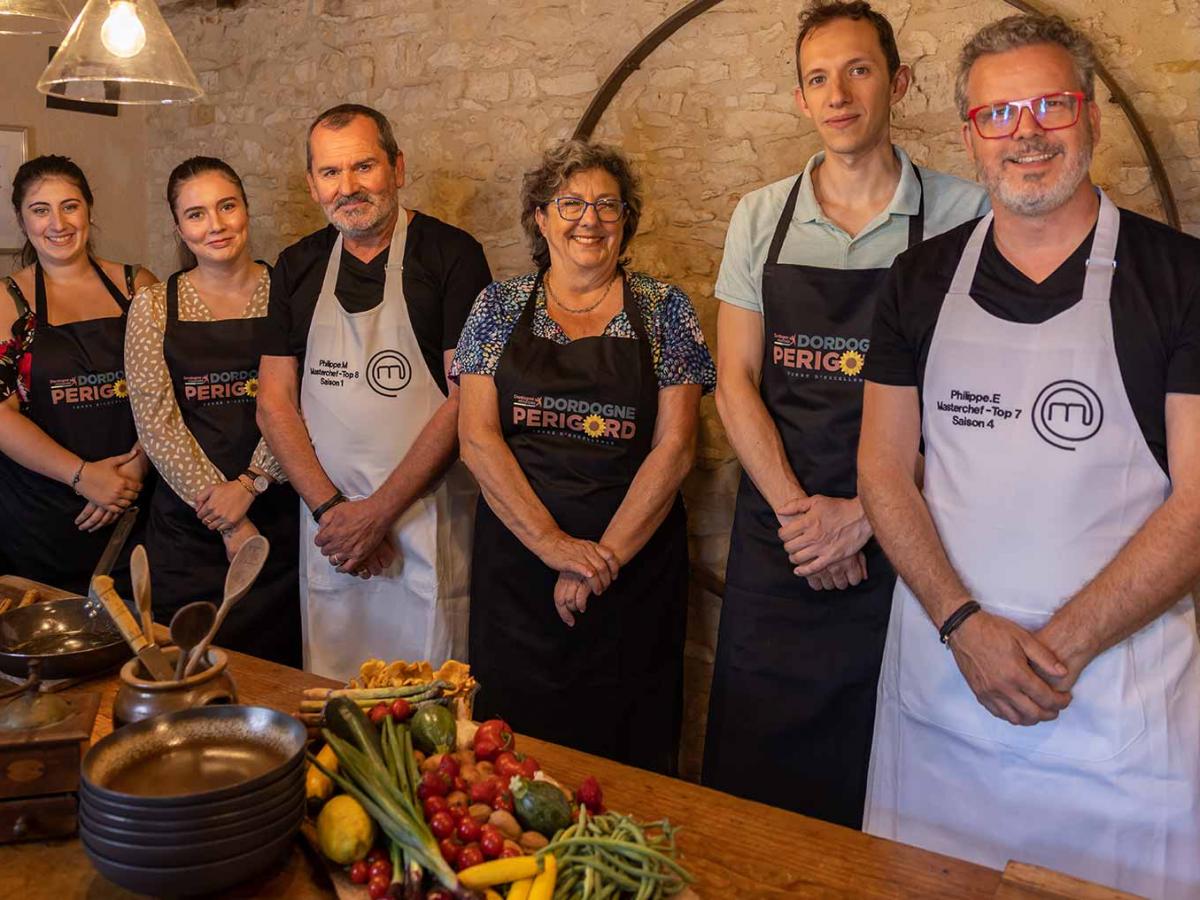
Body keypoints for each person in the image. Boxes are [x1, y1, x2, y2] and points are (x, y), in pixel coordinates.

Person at [859, 15, 1200, 898]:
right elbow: (882, 471)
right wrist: (964, 627)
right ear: (971, 134)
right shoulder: (917, 281)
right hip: (944, 701)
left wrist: (1062, 647)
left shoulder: (1181, 279)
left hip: (1114, 728)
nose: (1028, 134)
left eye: (1052, 105)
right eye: (1000, 114)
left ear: (1091, 119)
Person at [702, 0, 987, 827]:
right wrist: (802, 516)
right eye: (818, 78)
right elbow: (736, 382)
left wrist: (864, 517)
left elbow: (966, 407)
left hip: (903, 536)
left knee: (885, 764)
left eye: (858, 70)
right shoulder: (761, 215)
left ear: (896, 82)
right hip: (779, 536)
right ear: (801, 99)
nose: (839, 94)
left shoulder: (964, 216)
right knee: (755, 769)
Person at [453, 140, 714, 773]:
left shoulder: (665, 308)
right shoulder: (497, 307)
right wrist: (552, 546)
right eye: (570, 203)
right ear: (541, 219)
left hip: (633, 576)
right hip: (519, 574)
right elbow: (477, 439)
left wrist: (598, 561)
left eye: (606, 204)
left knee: (630, 751)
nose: (588, 219)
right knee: (511, 760)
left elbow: (676, 448)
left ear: (626, 221)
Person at [257, 104, 492, 680]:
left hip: (422, 521)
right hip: (329, 530)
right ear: (313, 185)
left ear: (398, 167)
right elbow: (274, 401)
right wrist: (336, 513)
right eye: (331, 173)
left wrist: (378, 514)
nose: (349, 187)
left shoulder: (452, 256)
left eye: (364, 166)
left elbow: (466, 400)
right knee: (335, 701)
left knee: (432, 706)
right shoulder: (296, 266)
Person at [125, 157, 301, 667]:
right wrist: (226, 521)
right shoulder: (154, 305)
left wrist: (250, 484)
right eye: (196, 214)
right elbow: (156, 423)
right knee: (186, 676)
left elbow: (302, 403)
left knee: (278, 681)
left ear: (246, 209)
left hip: (278, 524)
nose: (216, 225)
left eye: (227, 206)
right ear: (179, 227)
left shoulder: (289, 294)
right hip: (187, 532)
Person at [0, 155, 157, 596]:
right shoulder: (6, 301)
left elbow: (168, 389)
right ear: (21, 218)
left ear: (89, 209)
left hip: (136, 510)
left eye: (69, 206)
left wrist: (135, 469)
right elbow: (1, 414)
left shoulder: (136, 285)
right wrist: (84, 476)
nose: (58, 223)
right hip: (40, 519)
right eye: (40, 209)